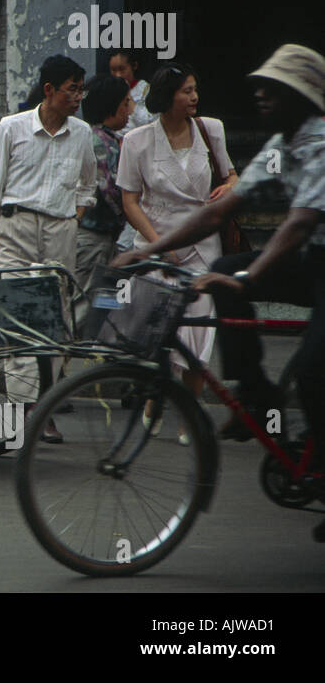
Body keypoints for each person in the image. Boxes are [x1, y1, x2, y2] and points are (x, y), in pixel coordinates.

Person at [115, 46, 325, 477]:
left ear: (302, 98)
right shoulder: (281, 145)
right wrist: (147, 250)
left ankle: (319, 464)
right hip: (309, 260)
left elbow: (302, 222)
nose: (261, 97)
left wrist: (252, 278)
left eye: (274, 91)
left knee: (311, 371)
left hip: (315, 254)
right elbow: (217, 211)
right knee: (223, 273)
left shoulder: (320, 141)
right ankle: (255, 393)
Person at [0, 54, 96, 441]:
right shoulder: (11, 128)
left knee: (57, 319)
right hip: (17, 227)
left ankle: (46, 404)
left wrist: (73, 216)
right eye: (71, 89)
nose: (78, 96)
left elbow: (88, 183)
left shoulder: (82, 133)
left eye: (81, 89)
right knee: (19, 315)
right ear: (49, 90)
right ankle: (25, 409)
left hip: (60, 231)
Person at [116, 63, 237, 442]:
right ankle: (154, 401)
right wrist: (156, 243)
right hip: (158, 244)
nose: (194, 97)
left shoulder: (210, 130)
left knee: (198, 336)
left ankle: (189, 414)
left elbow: (231, 175)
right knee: (161, 333)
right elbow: (130, 200)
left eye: (195, 89)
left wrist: (230, 188)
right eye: (186, 91)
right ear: (168, 98)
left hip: (202, 244)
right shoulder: (137, 141)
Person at [74, 74, 133, 294]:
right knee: (86, 307)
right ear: (112, 107)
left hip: (97, 238)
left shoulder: (96, 137)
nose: (130, 110)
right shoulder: (102, 144)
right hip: (94, 239)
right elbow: (113, 191)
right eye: (126, 103)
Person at [109, 50, 152, 133]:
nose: (118, 75)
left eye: (122, 69)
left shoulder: (145, 89)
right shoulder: (108, 89)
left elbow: (148, 122)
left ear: (134, 66)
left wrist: (127, 94)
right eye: (113, 70)